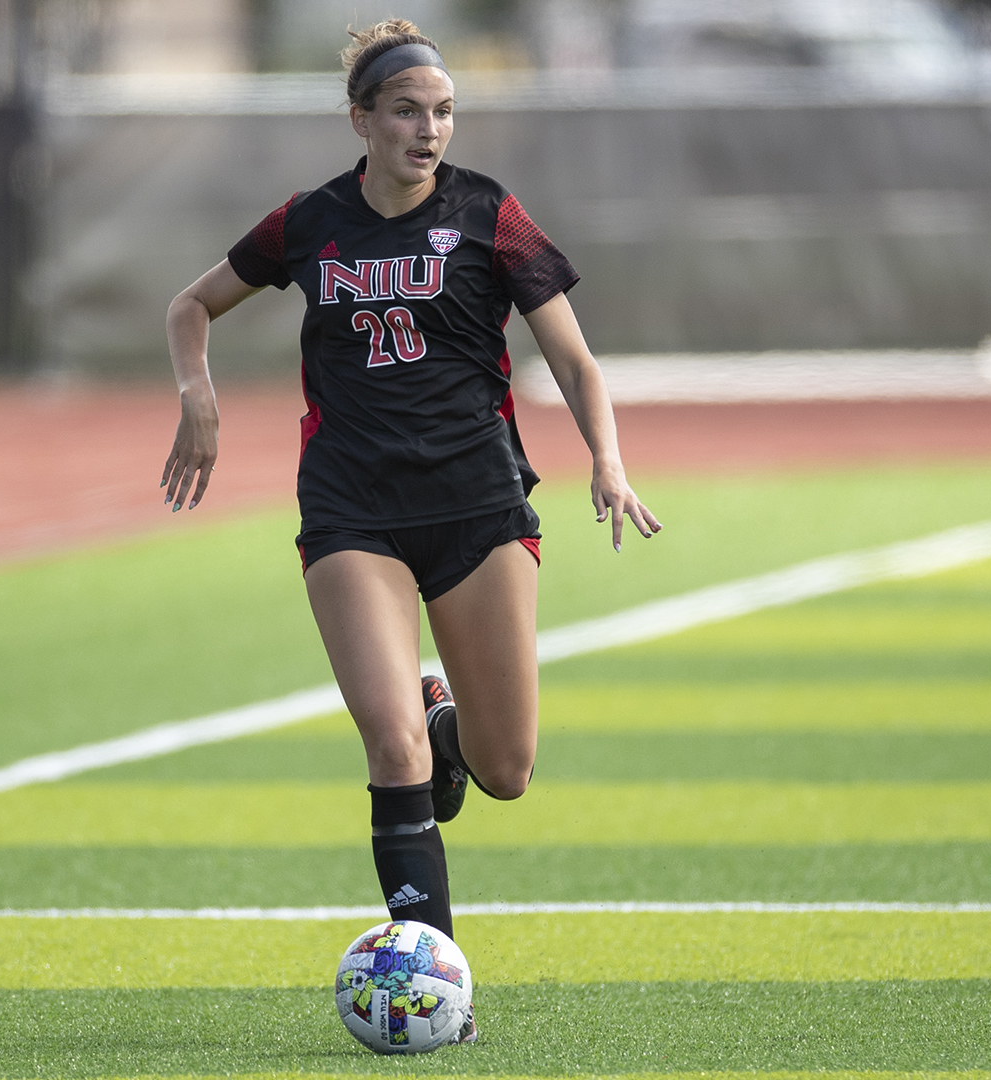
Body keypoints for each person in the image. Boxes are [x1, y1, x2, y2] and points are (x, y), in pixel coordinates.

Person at [160, 18, 659, 1043]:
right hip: (353, 513)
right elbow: (191, 306)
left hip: (478, 511)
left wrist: (606, 459)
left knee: (505, 771)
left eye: (442, 114)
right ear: (362, 120)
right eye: (406, 112)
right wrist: (196, 396)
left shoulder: (490, 215)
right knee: (387, 749)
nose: (427, 131)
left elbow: (575, 362)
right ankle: (436, 988)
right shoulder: (310, 224)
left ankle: (451, 730)